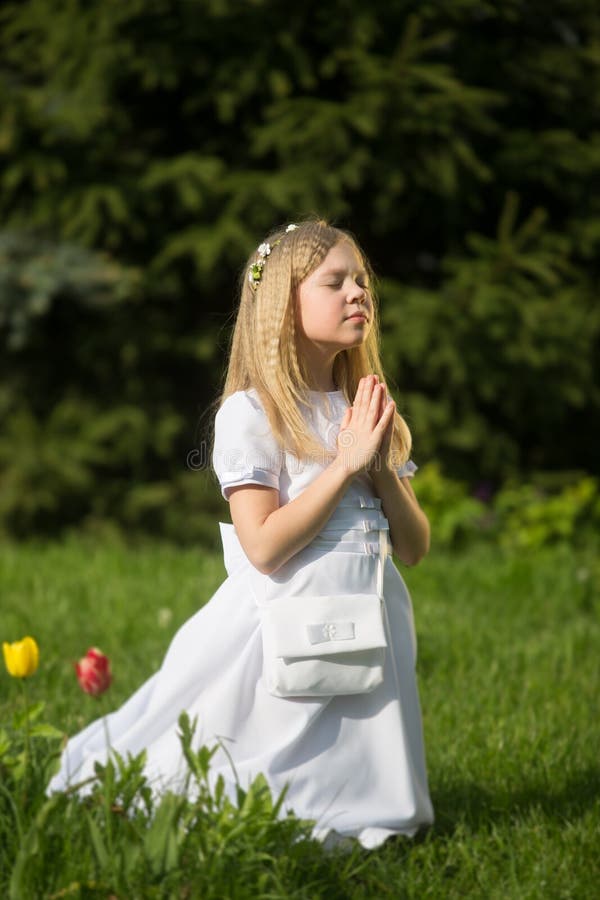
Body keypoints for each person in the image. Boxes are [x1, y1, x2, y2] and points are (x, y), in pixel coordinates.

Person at [48, 219, 434, 849]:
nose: (358, 292)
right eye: (335, 282)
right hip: (282, 619)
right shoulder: (253, 413)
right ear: (284, 305)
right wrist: (343, 466)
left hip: (371, 610)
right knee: (255, 751)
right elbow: (262, 545)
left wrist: (379, 466)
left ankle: (367, 802)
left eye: (361, 280)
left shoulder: (366, 407)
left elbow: (414, 547)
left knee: (355, 720)